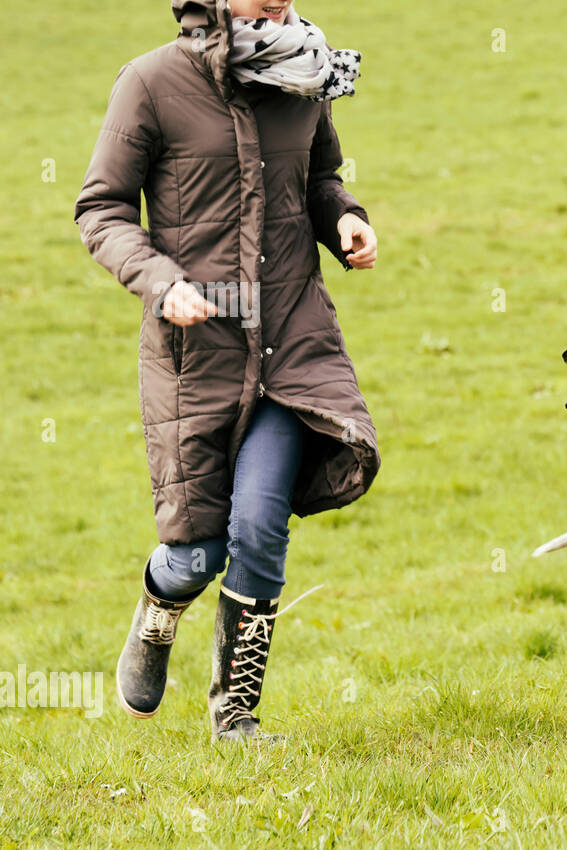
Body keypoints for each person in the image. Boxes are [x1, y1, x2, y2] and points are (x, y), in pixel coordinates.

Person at [74, 0, 381, 741]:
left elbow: (320, 178)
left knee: (259, 525)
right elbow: (101, 209)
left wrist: (342, 216)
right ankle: (157, 610)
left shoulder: (306, 72)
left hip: (291, 342)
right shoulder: (150, 82)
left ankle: (233, 716)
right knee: (196, 553)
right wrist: (156, 279)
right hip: (196, 353)